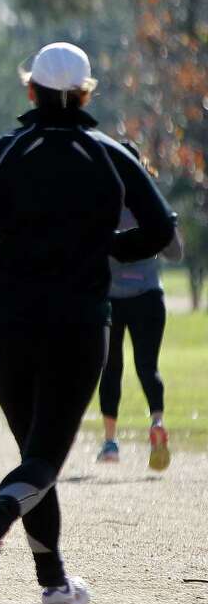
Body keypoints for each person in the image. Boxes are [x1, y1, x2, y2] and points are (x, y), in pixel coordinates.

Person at [0, 42, 175, 604]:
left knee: (33, 450)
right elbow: (159, 231)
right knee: (44, 456)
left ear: (30, 91)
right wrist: (103, 245)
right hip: (76, 321)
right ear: (85, 94)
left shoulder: (3, 151)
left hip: (5, 319)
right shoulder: (108, 153)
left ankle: (54, 583)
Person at [97, 159, 184, 469]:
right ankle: (157, 422)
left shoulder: (102, 205)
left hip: (111, 299)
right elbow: (176, 253)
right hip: (149, 296)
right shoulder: (150, 205)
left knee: (110, 368)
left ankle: (110, 443)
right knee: (148, 365)